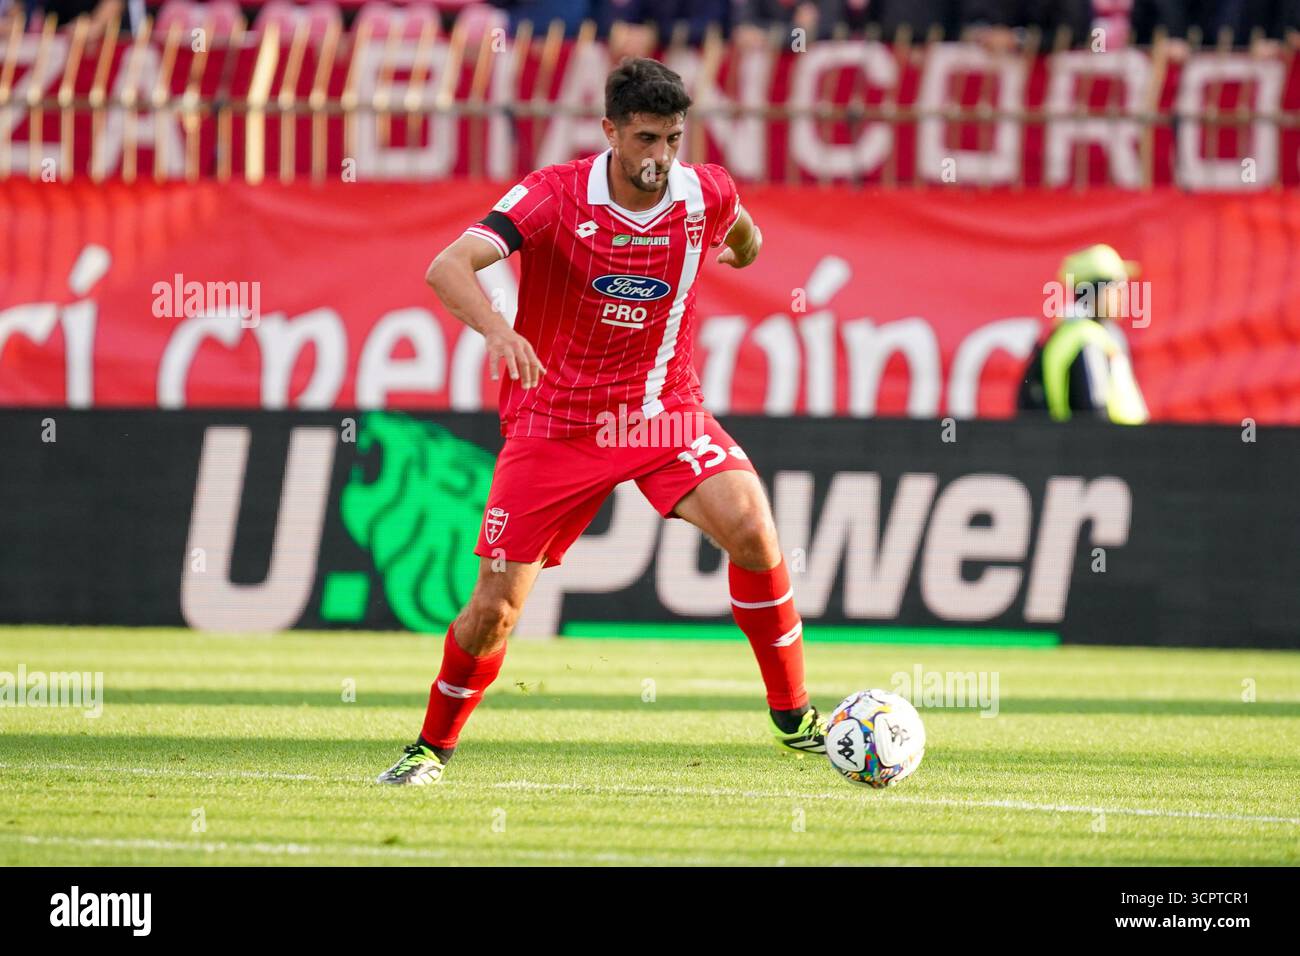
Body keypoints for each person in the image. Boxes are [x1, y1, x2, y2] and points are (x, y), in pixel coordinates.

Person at [377, 57, 824, 785]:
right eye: (646, 139)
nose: (659, 159)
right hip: (555, 422)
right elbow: (448, 266)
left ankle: (793, 716)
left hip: (659, 412)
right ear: (610, 130)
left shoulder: (704, 191)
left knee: (752, 526)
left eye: (673, 140)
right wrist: (496, 329)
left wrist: (741, 249)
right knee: (494, 609)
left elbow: (747, 237)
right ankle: (431, 747)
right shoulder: (555, 195)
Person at [1017, 243, 1150, 424]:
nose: (1125, 297)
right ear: (1095, 293)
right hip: (1103, 449)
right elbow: (1093, 414)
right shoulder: (1086, 339)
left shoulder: (1076, 334)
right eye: (1118, 289)